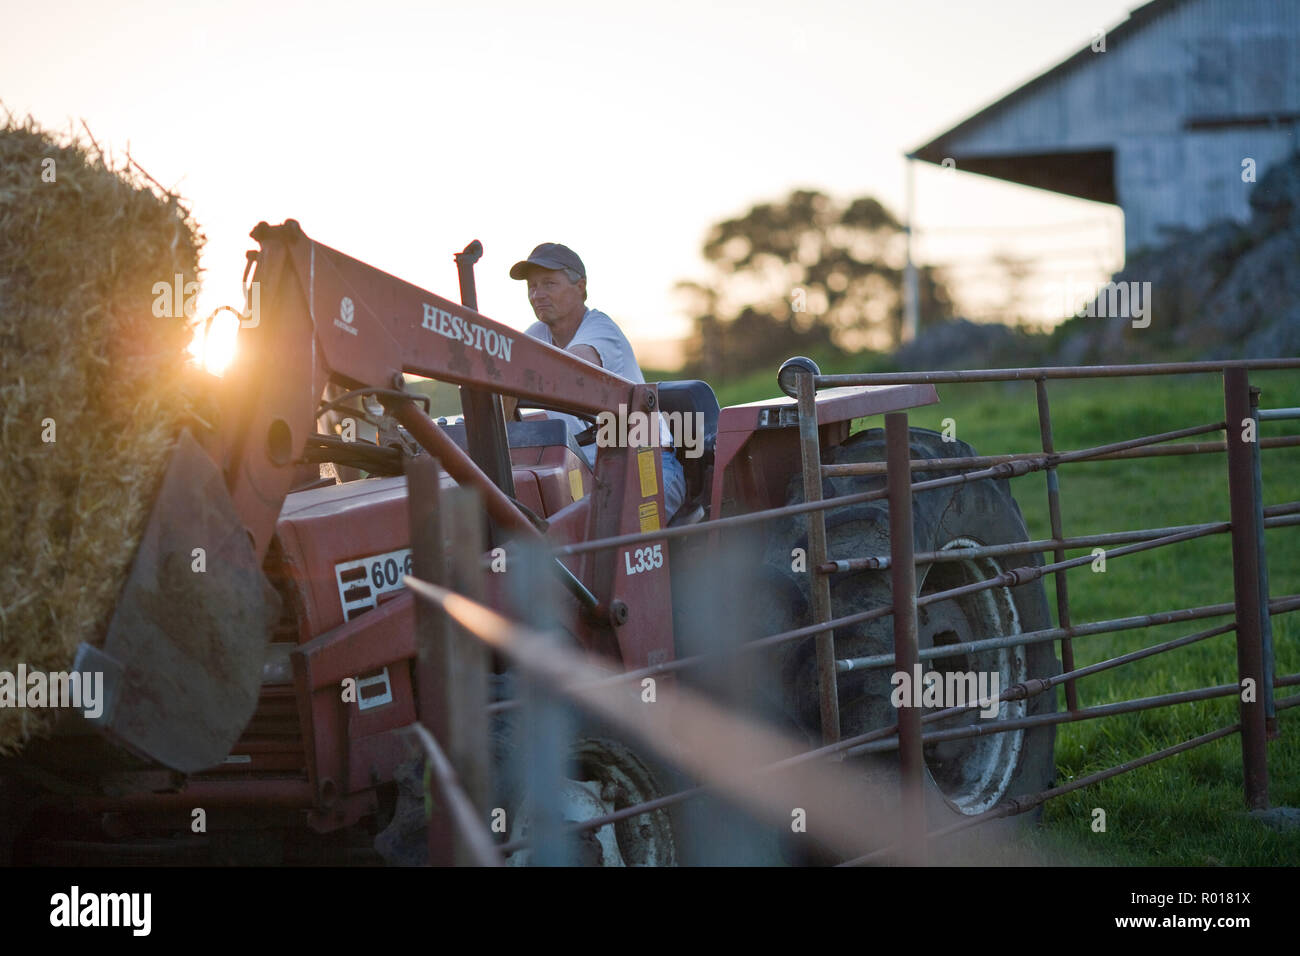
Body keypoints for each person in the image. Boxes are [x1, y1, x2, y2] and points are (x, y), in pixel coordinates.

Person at [508, 242, 686, 520]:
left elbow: (574, 371)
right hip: (584, 469)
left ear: (580, 286)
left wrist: (513, 377)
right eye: (532, 286)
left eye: (549, 284)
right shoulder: (536, 335)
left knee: (612, 534)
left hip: (644, 464)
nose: (537, 295)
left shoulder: (600, 329)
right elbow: (502, 376)